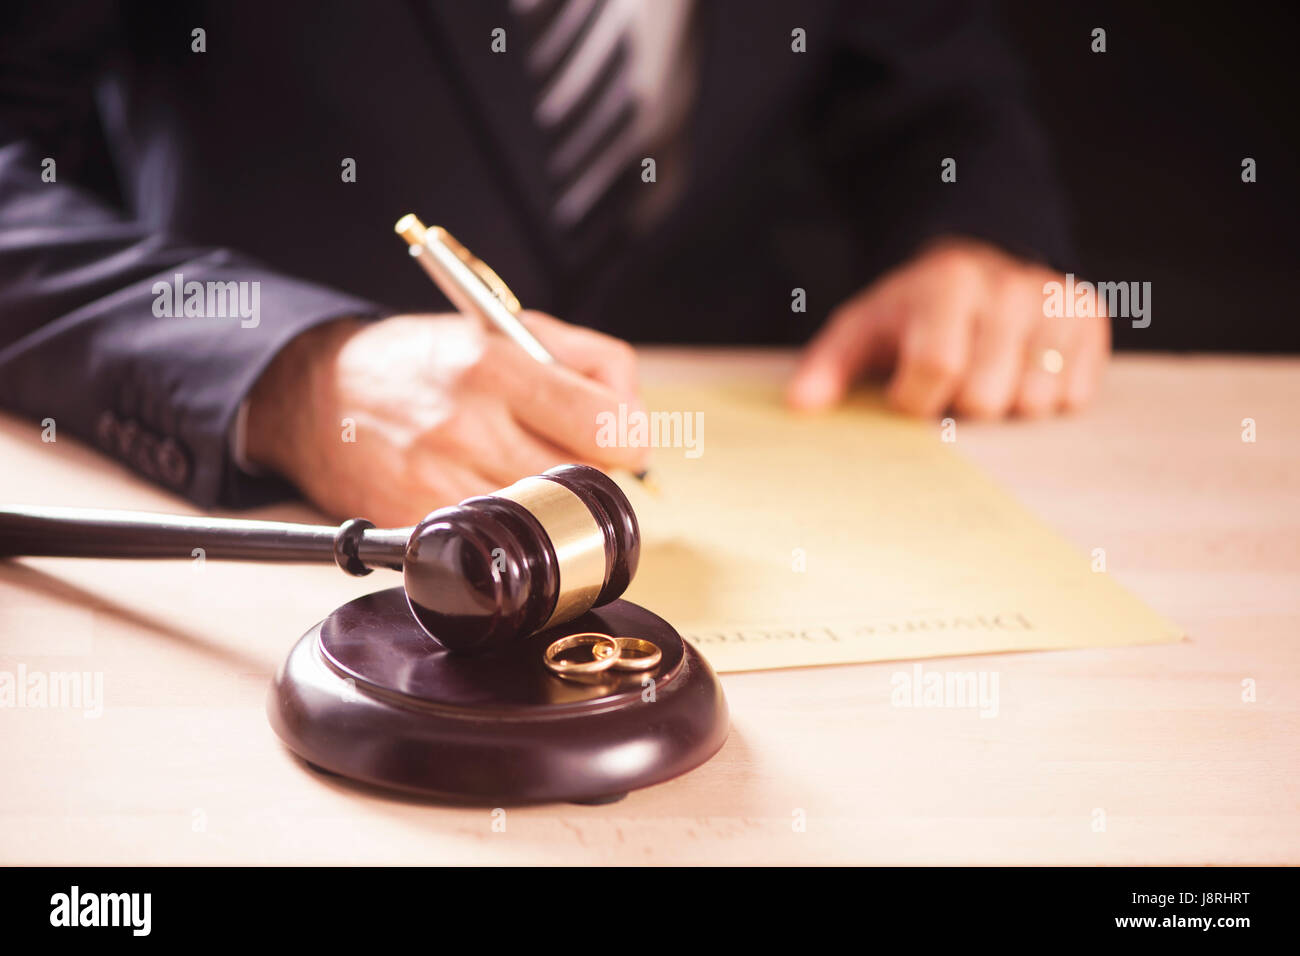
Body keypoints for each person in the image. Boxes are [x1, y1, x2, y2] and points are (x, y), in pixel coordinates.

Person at [0, 0, 1109, 525]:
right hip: (288, 542)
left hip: (733, 492)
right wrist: (294, 375)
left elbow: (936, 74)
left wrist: (976, 238)